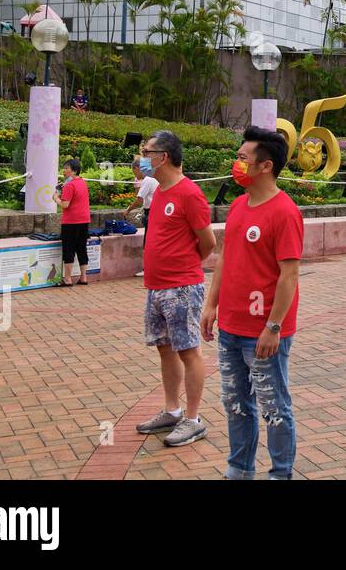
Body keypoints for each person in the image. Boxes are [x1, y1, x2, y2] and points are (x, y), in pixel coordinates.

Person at [201, 126, 303, 480]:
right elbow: (225, 258)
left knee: (274, 408)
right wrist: (211, 304)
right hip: (230, 328)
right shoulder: (239, 206)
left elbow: (288, 275)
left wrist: (273, 327)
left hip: (263, 333)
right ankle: (239, 470)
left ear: (265, 166)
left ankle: (280, 474)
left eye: (243, 158)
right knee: (235, 404)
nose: (236, 164)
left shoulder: (285, 212)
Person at [135, 130, 216, 448]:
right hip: (156, 287)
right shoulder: (159, 191)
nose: (143, 157)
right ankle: (172, 409)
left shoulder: (188, 193)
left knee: (188, 350)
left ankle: (193, 420)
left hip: (181, 287)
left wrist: (183, 267)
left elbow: (207, 241)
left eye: (147, 152)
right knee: (165, 348)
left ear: (163, 157)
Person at [53, 158, 91, 287]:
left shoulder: (69, 185)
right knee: (81, 248)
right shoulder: (82, 182)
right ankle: (83, 277)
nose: (64, 170)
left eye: (66, 168)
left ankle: (68, 279)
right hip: (84, 220)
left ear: (74, 170)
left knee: (69, 249)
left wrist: (56, 198)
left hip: (71, 222)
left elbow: (65, 205)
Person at [126, 157, 158, 278]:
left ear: (137, 168)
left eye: (133, 171)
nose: (134, 174)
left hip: (151, 212)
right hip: (155, 211)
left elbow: (139, 200)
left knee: (148, 242)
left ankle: (148, 269)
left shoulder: (147, 180)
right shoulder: (154, 178)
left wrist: (128, 210)